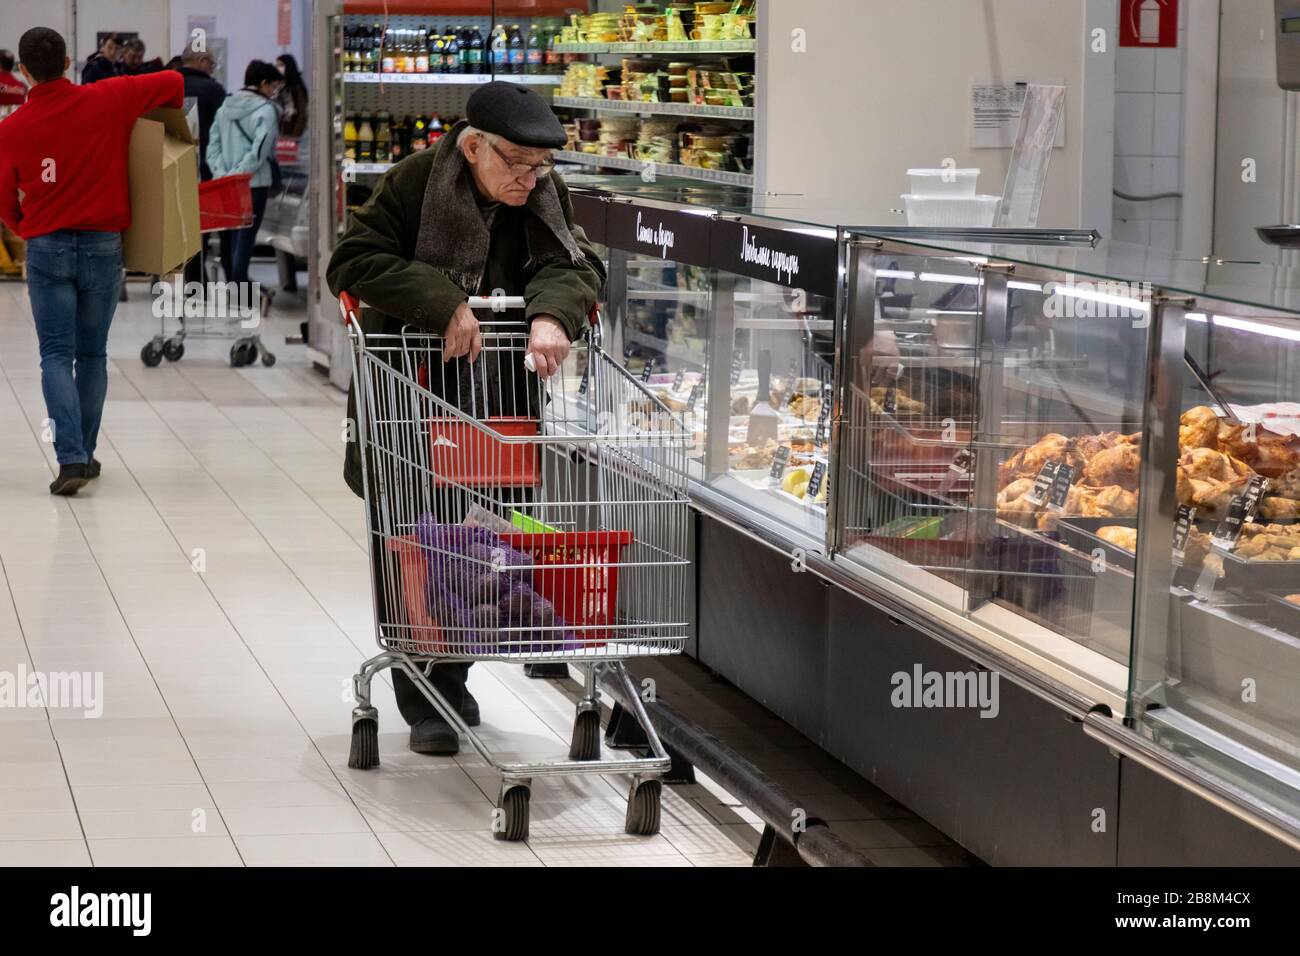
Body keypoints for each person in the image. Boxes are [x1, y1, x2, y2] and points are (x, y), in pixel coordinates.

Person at [327, 82, 605, 756]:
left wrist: (550, 313)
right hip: (414, 395)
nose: (527, 179)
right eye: (514, 163)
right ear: (472, 145)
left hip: (499, 396)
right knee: (417, 531)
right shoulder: (415, 181)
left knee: (485, 532)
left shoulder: (542, 191)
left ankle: (452, 672)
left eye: (539, 167)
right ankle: (426, 695)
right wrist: (444, 301)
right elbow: (353, 260)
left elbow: (578, 264)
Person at [0, 27, 183, 495]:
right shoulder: (110, 97)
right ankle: (86, 450)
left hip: (46, 247)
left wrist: (26, 227)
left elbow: (5, 202)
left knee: (55, 355)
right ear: (67, 64)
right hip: (104, 245)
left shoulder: (11, 129)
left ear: (23, 72)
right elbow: (174, 84)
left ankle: (72, 458)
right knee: (92, 353)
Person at [207, 60, 282, 286]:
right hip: (254, 184)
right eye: (273, 87)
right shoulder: (266, 111)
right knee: (245, 239)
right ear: (263, 83)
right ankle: (239, 286)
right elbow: (260, 149)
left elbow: (213, 146)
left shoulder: (224, 108)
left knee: (229, 236)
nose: (274, 93)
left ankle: (232, 283)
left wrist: (223, 173)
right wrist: (241, 173)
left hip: (225, 183)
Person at [274, 53, 307, 138]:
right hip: (279, 130)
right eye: (277, 65)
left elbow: (301, 114)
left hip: (290, 130)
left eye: (281, 65)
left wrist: (295, 136)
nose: (278, 68)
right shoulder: (279, 85)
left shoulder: (296, 87)